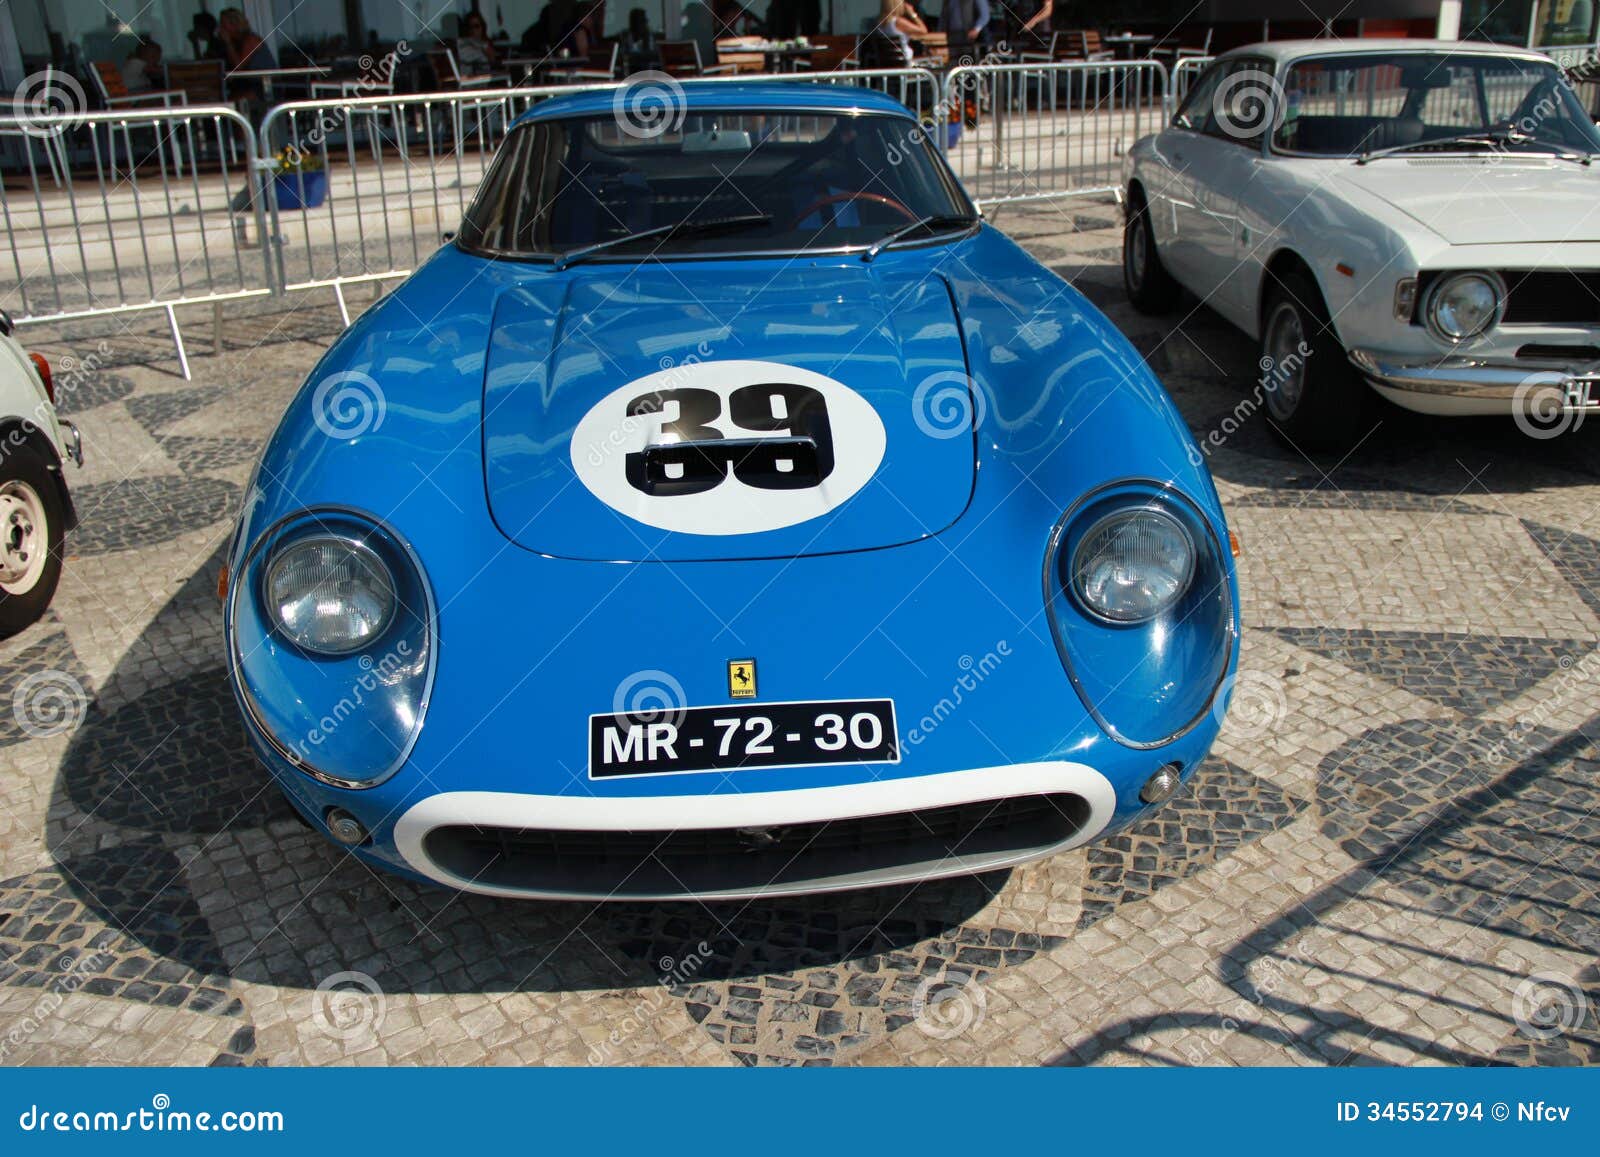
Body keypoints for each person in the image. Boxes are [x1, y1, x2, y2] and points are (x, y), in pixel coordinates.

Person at [218, 7, 277, 72]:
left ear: (234, 24)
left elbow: (238, 66)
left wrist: (228, 43)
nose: (221, 28)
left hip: (265, 80)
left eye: (223, 24)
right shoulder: (237, 42)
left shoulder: (251, 40)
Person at [941, 0, 989, 65]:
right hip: (951, 38)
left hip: (968, 37)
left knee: (967, 62)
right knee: (952, 64)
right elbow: (943, 17)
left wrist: (976, 29)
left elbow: (984, 15)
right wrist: (940, 35)